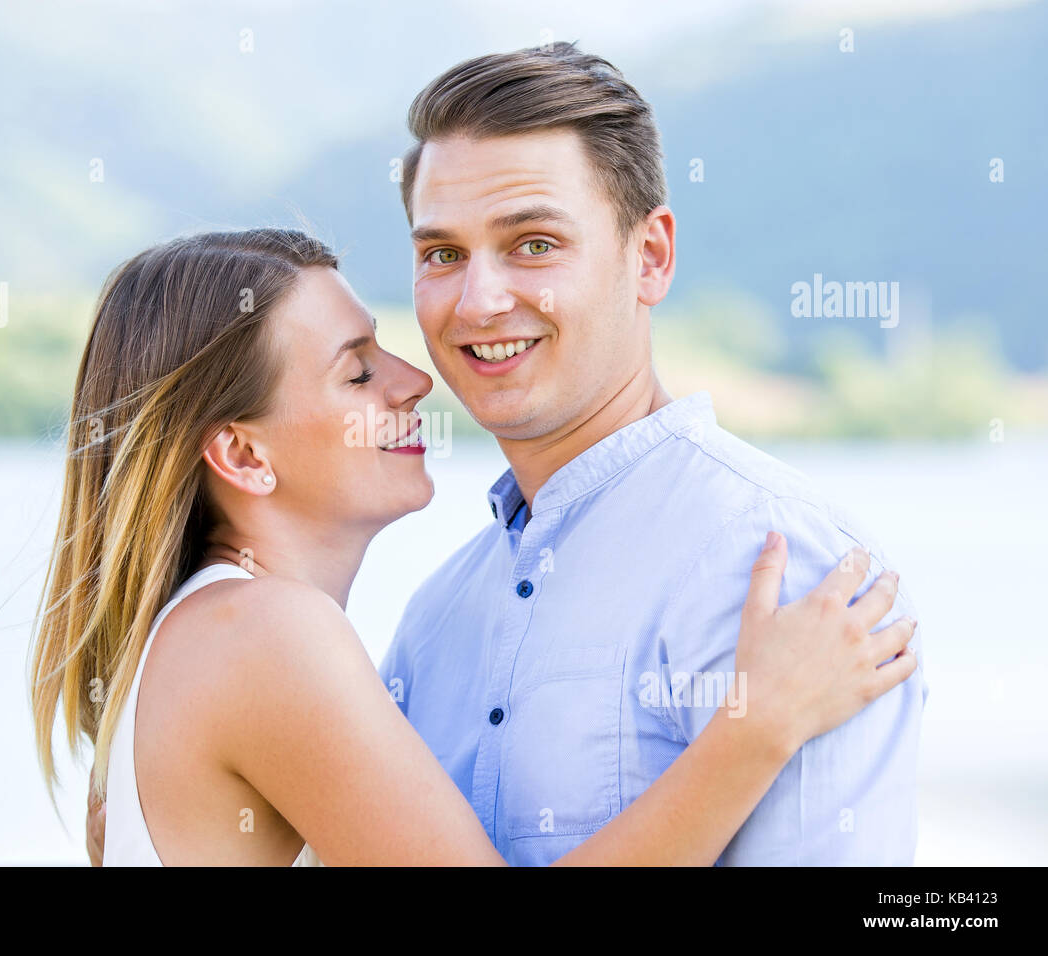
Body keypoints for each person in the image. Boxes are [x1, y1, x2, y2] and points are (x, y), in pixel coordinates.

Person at [32, 228, 917, 866]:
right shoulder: (264, 638)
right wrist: (752, 732)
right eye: (357, 371)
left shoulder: (214, 636)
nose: (414, 380)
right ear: (242, 454)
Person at [378, 42, 928, 865]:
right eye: (442, 255)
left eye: (534, 244)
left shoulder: (791, 574)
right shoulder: (430, 626)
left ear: (652, 256)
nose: (479, 301)